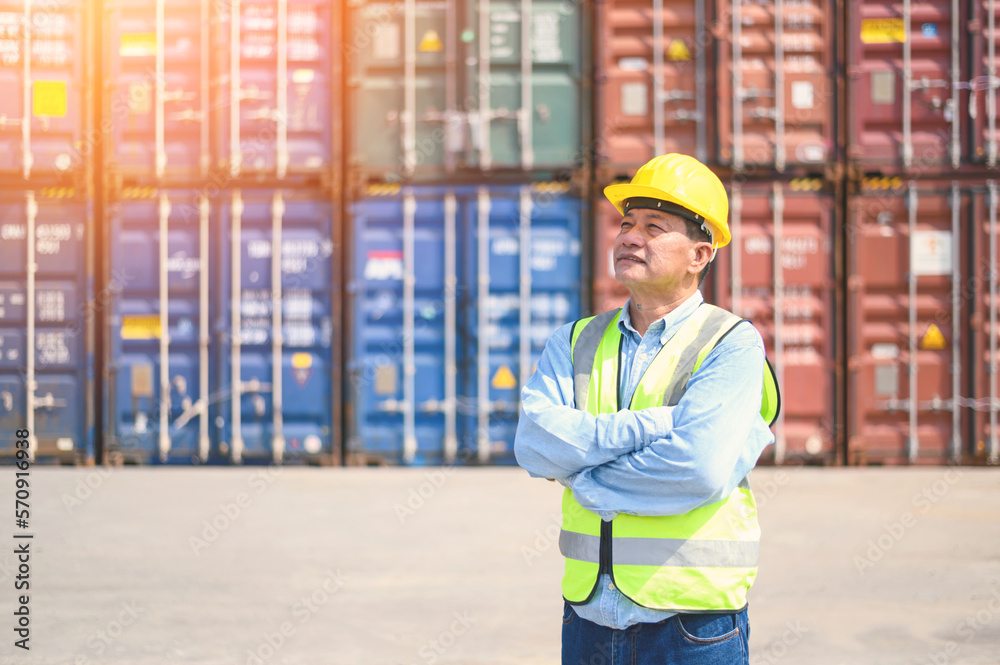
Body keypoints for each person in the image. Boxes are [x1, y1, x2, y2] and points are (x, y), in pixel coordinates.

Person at [514, 153, 779, 665]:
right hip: (588, 616)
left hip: (689, 627)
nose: (630, 237)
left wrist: (586, 478)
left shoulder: (731, 344)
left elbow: (697, 470)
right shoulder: (574, 340)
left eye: (654, 228)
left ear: (700, 255)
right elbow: (535, 446)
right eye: (626, 224)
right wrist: (656, 426)